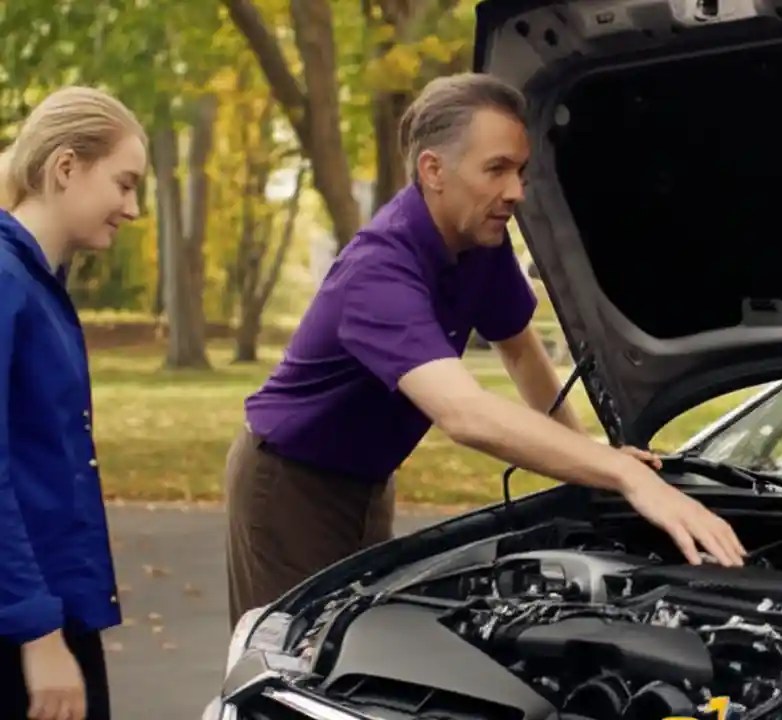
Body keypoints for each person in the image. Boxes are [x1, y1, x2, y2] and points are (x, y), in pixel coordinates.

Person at [224, 72, 746, 625]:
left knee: (350, 637)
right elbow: (466, 415)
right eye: (496, 169)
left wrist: (585, 463)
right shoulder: (377, 272)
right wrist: (625, 476)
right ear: (433, 171)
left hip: (367, 480)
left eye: (520, 171)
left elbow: (520, 352)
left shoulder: (480, 242)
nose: (516, 192)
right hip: (288, 483)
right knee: (290, 652)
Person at [0, 86, 148, 720]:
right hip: (22, 626)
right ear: (66, 167)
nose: (133, 208)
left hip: (52, 612)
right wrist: (38, 635)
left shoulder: (39, 285)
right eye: (124, 184)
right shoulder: (6, 283)